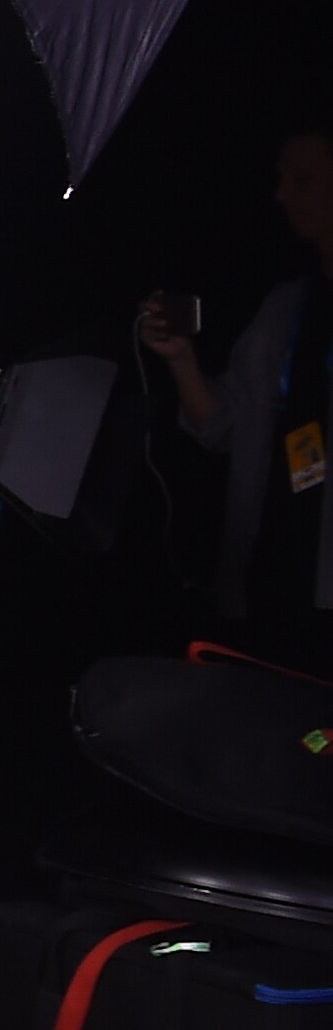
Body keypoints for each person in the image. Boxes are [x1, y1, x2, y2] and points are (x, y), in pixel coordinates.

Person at [138, 114, 333, 664]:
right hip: (272, 580)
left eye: (303, 179)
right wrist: (181, 360)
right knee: (280, 736)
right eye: (282, 179)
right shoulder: (286, 309)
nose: (282, 195)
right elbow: (222, 426)